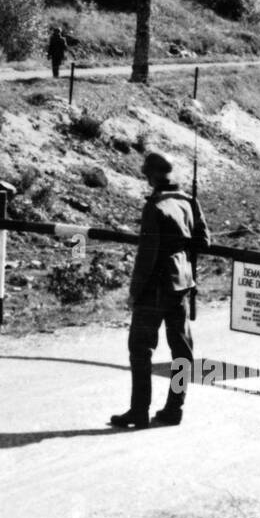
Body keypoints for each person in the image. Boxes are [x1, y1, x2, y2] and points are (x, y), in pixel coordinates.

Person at [110, 151, 210, 429]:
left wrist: (134, 292)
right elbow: (204, 242)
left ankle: (139, 411)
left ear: (152, 177)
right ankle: (174, 408)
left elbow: (147, 256)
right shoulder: (189, 202)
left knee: (140, 350)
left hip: (154, 288)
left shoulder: (154, 207)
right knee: (182, 350)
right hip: (181, 286)